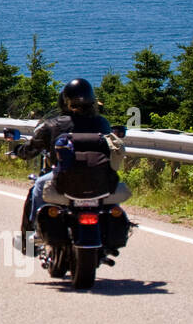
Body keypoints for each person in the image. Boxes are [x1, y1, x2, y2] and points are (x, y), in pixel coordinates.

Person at [11, 77, 120, 235]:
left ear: (65, 101)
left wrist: (19, 151)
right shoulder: (102, 123)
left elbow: (32, 149)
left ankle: (34, 235)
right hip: (98, 180)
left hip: (64, 179)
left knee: (38, 188)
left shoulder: (53, 125)